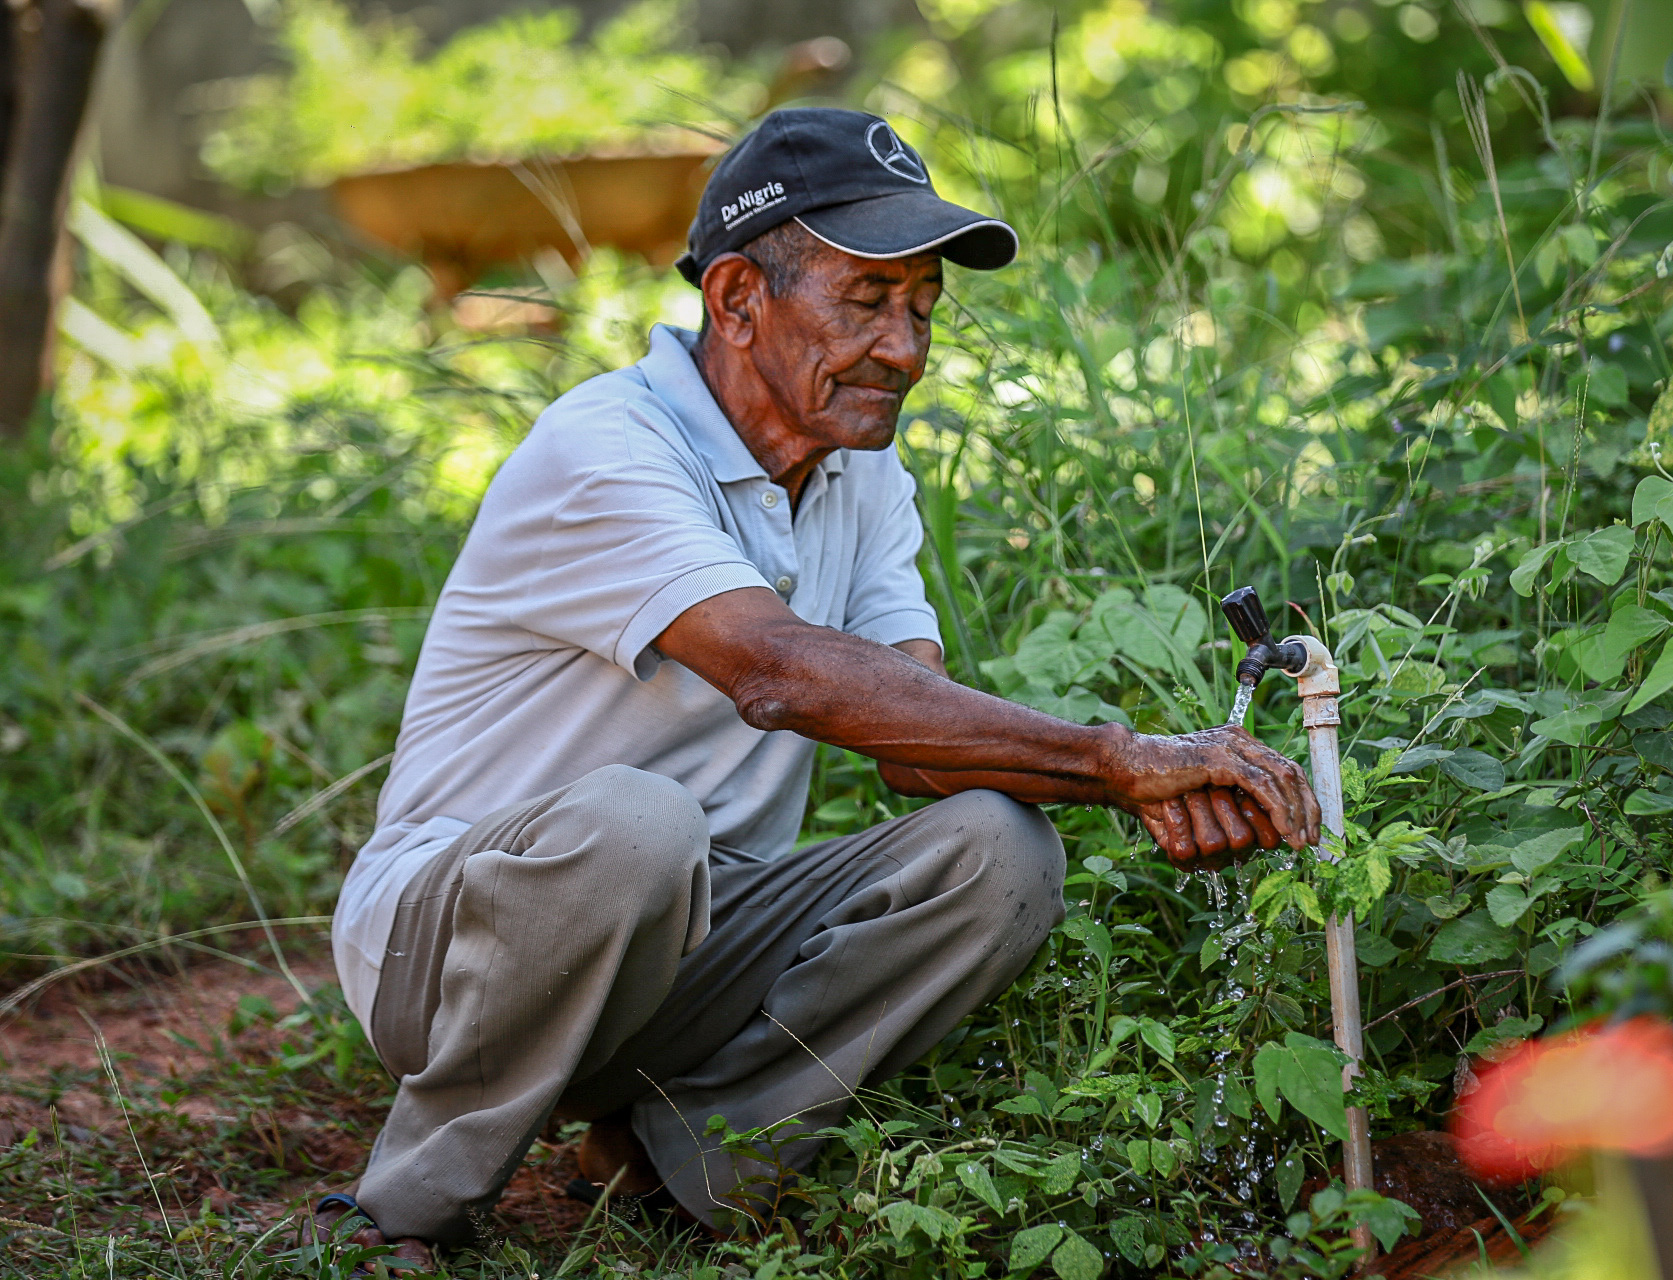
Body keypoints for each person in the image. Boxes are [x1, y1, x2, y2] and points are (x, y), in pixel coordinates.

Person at [311, 107, 1320, 1267]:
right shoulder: (607, 446)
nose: (904, 348)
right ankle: (402, 1209)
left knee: (1001, 848)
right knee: (642, 822)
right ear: (738, 298)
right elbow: (780, 673)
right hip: (447, 957)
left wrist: (1126, 781)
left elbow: (917, 740)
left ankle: (679, 1160)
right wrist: (1119, 754)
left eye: (923, 308)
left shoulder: (861, 468)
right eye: (866, 301)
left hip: (675, 949)